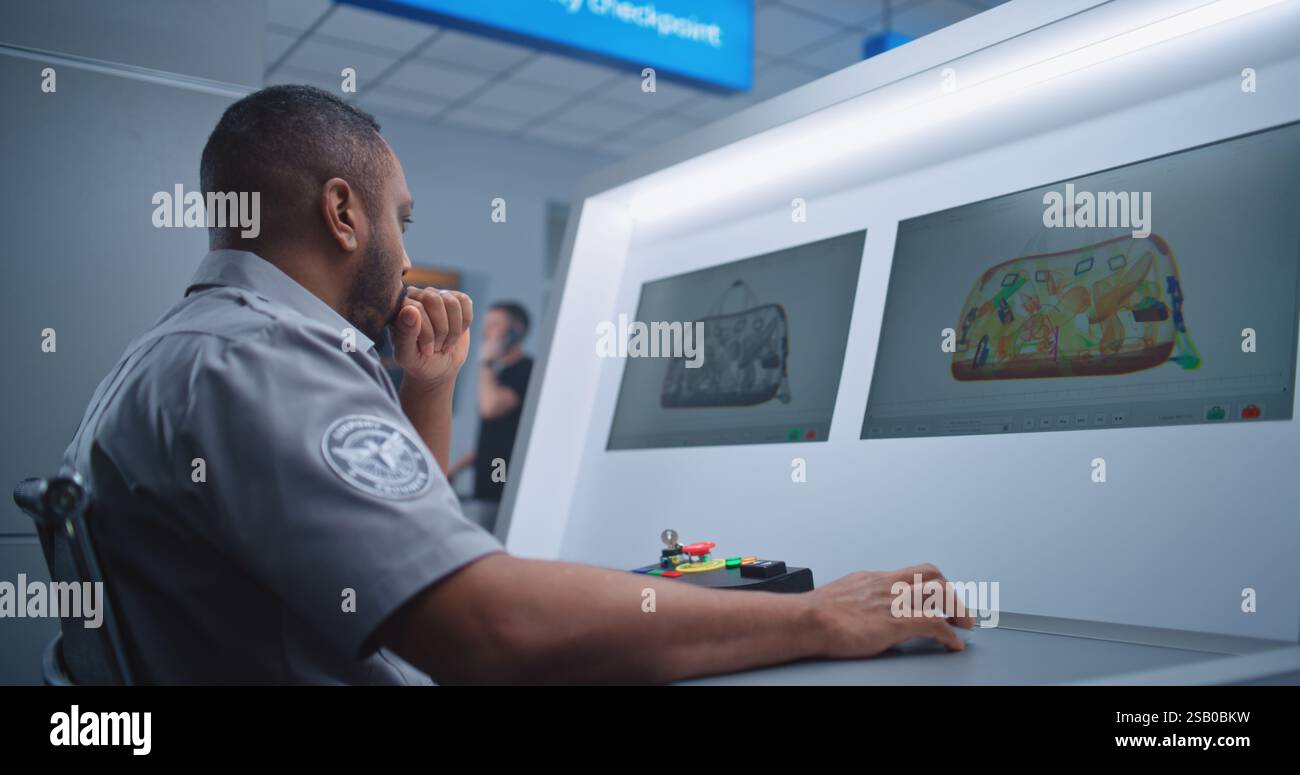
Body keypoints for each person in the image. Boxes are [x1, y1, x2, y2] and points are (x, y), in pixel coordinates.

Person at [61, 85, 971, 685]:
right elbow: (484, 632)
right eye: (399, 220)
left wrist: (425, 392)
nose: (407, 255)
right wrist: (819, 615)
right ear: (344, 213)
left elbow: (382, 562)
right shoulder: (261, 362)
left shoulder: (184, 351)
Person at [448, 302, 532, 526]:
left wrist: (485, 363)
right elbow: (495, 435)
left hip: (503, 490)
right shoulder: (498, 374)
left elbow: (490, 408)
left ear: (516, 330)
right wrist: (456, 468)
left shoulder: (526, 370)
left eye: (494, 325)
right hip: (485, 488)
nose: (486, 333)